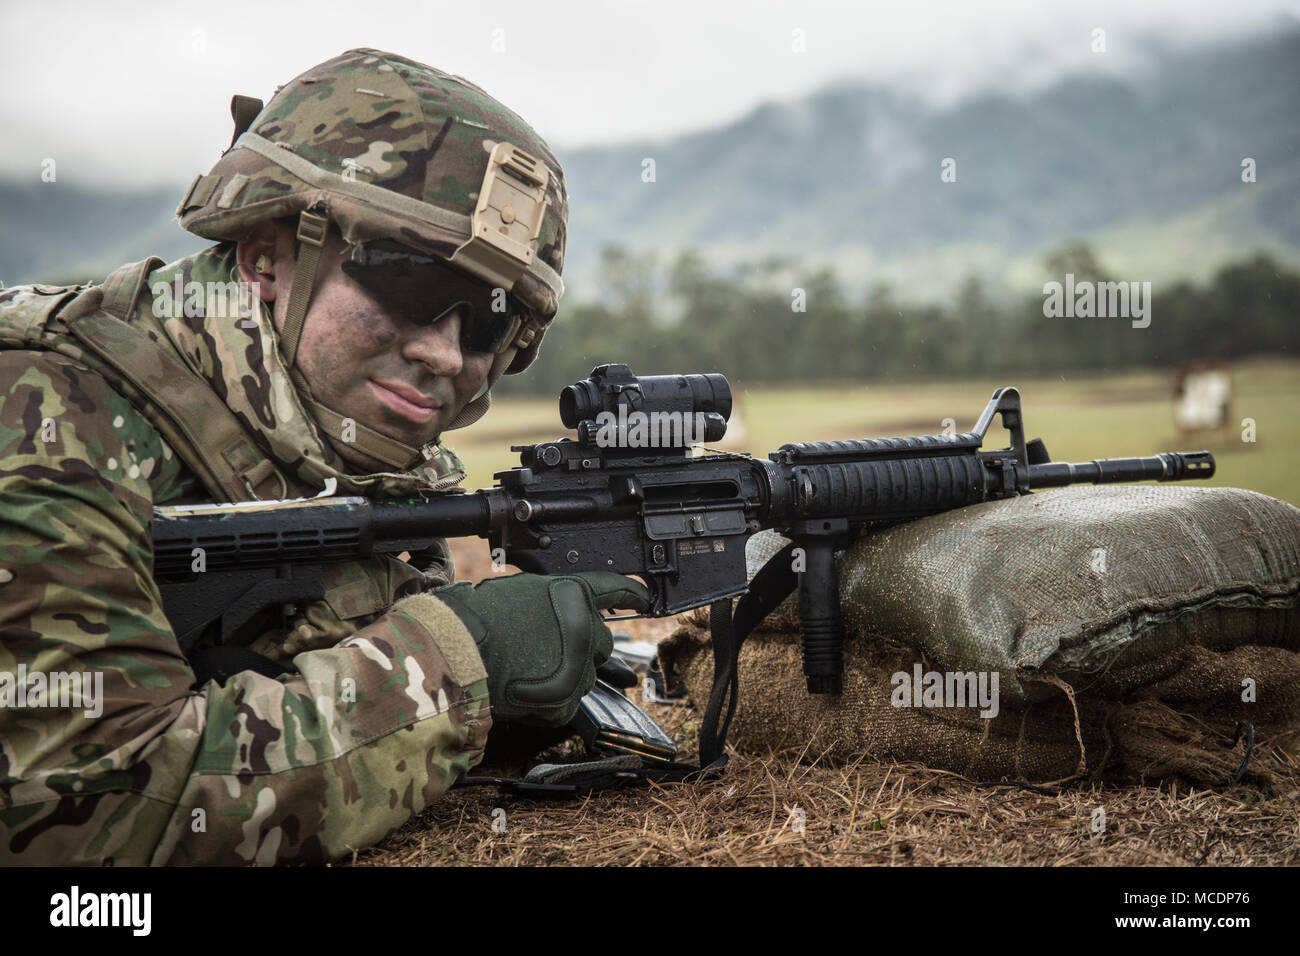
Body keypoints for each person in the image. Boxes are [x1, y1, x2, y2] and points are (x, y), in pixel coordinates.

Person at [0, 48, 647, 865]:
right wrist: (456, 668)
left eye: (487, 320)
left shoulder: (322, 449)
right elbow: (83, 819)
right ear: (266, 256)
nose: (447, 355)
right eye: (410, 285)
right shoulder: (43, 416)